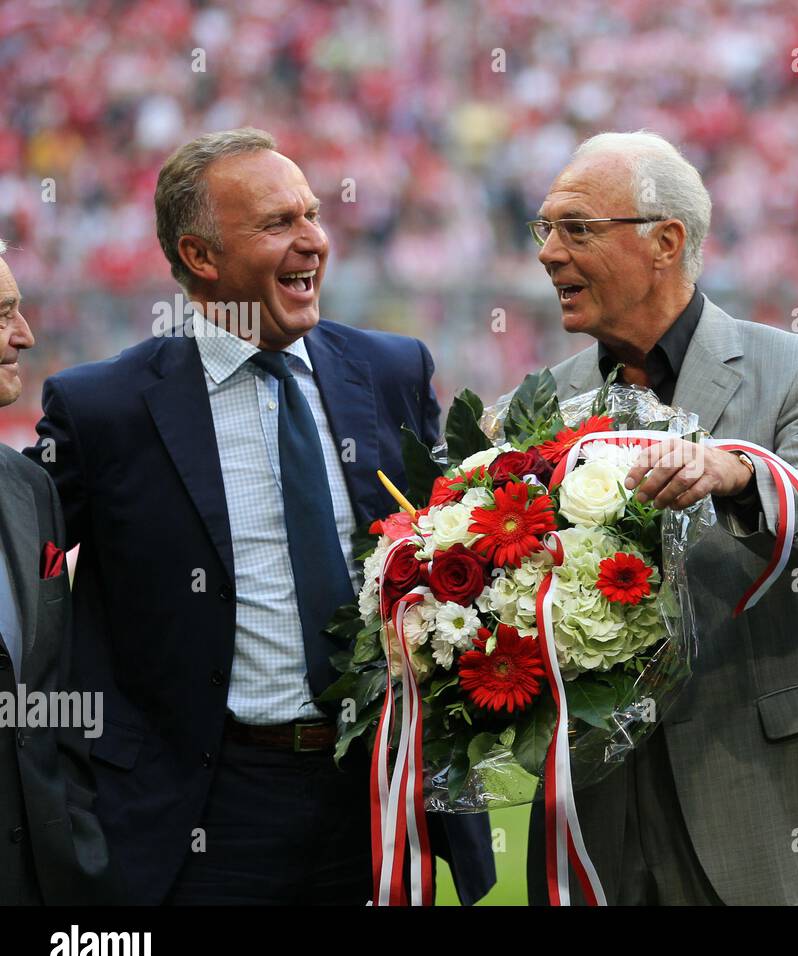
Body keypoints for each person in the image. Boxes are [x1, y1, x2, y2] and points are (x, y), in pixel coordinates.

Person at [25, 129, 494, 905]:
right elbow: (20, 558)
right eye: (278, 223)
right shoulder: (103, 408)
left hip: (372, 790)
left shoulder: (391, 371)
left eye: (313, 214)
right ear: (200, 256)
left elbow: (454, 549)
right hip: (203, 810)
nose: (314, 240)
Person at [524, 131, 798, 905]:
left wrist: (739, 473)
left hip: (754, 792)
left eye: (576, 228)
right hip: (597, 814)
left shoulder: (796, 366)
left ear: (664, 242)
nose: (548, 252)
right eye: (545, 228)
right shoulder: (541, 402)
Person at [0, 238, 112, 904]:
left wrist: (77, 844)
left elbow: (53, 691)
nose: (26, 334)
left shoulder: (31, 488)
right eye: (2, 314)